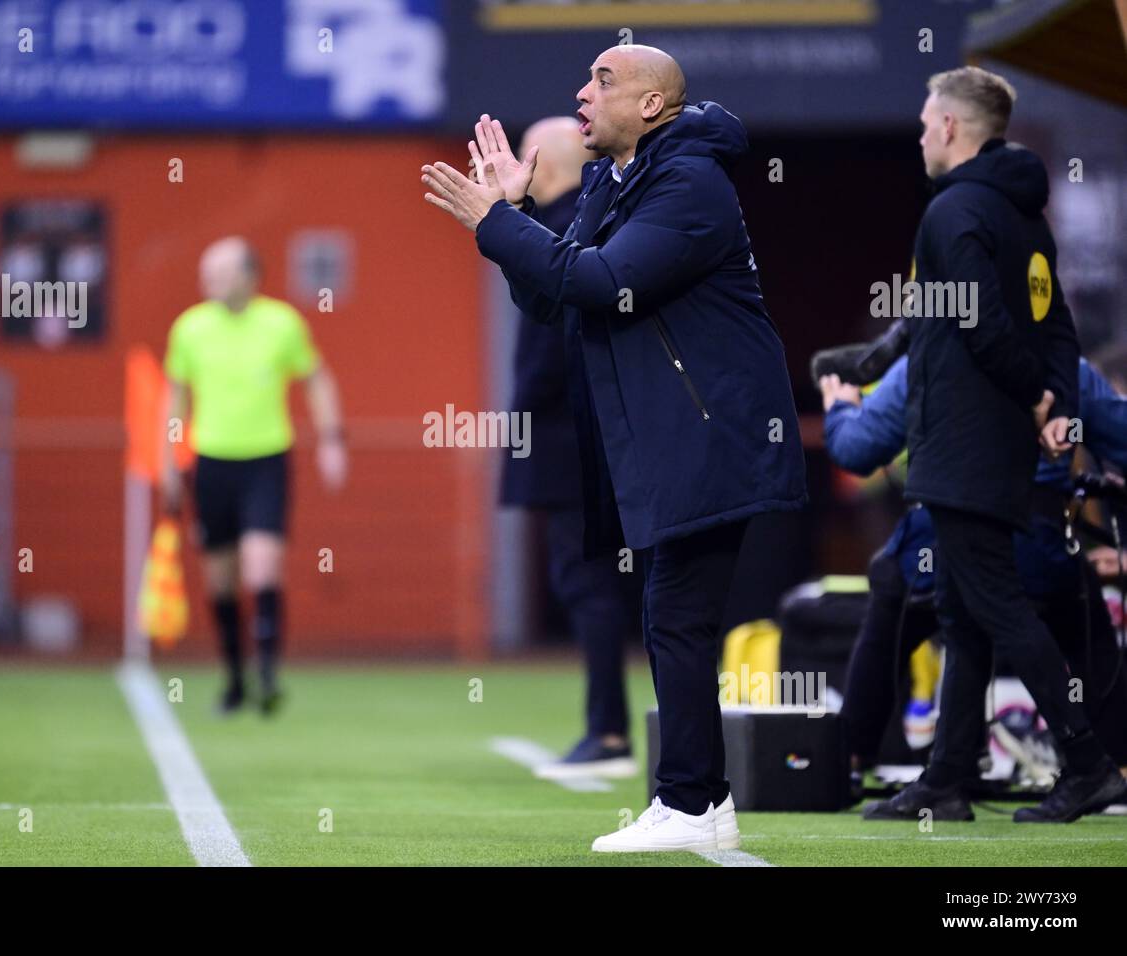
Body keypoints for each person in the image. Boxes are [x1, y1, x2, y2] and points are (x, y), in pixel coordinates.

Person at [422, 45, 806, 852]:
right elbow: (556, 297)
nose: (582, 93)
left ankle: (693, 802)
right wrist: (517, 217)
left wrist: (496, 223)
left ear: (652, 106)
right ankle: (696, 800)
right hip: (673, 436)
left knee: (676, 613)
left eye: (603, 81)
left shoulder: (689, 182)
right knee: (674, 612)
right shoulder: (612, 180)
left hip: (716, 432)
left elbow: (603, 283)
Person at [863, 67, 1126, 823]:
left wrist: (1037, 396)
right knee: (962, 609)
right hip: (998, 441)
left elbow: (981, 327)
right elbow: (1058, 329)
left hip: (963, 441)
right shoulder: (1025, 217)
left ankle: (1087, 764)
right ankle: (946, 778)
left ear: (950, 127)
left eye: (924, 121)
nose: (919, 134)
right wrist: (1057, 411)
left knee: (996, 604)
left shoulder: (953, 213)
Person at [822, 357, 1127, 785]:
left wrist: (840, 408)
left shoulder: (928, 360)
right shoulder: (1064, 367)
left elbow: (856, 449)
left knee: (897, 581)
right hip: (1041, 543)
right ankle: (1113, 757)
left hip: (949, 536)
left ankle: (852, 755)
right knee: (1076, 602)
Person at [493, 116, 637, 780]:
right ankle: (606, 726)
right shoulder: (568, 221)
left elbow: (558, 340)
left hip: (569, 436)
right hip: (579, 433)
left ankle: (607, 730)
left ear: (542, 162)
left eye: (524, 155)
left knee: (589, 582)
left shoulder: (565, 227)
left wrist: (525, 408)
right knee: (592, 580)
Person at [164, 237, 347, 715]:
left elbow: (317, 379)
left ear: (248, 275)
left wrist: (330, 438)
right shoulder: (190, 328)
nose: (209, 283)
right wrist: (168, 459)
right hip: (211, 464)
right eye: (206, 274)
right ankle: (234, 679)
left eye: (220, 273)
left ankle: (267, 673)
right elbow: (175, 398)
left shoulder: (282, 323)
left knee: (262, 568)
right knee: (220, 582)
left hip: (266, 461)